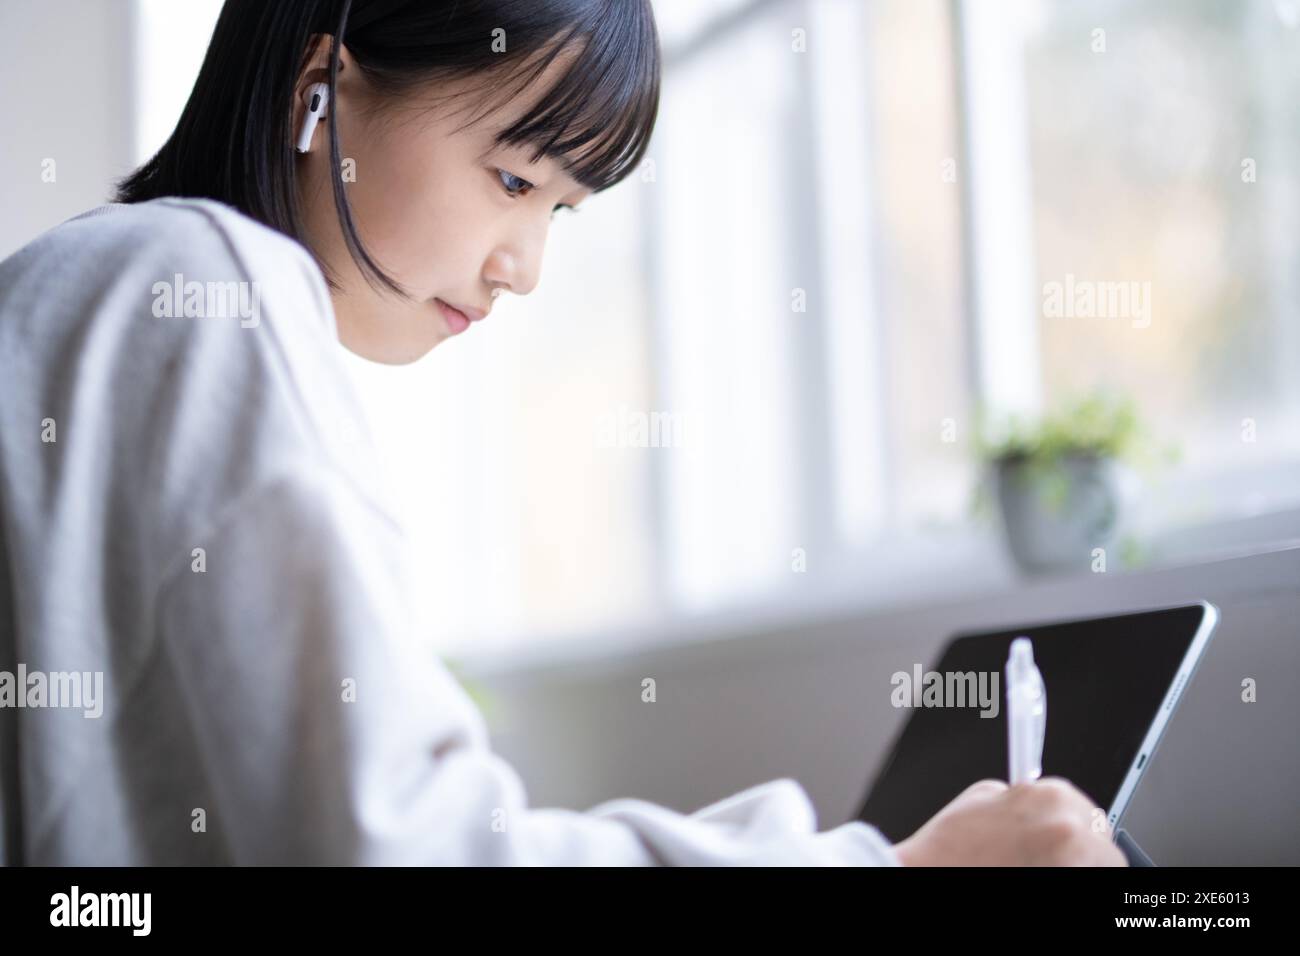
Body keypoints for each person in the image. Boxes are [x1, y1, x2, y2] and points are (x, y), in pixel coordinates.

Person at [0, 0, 1124, 866]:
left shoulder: (89, 287)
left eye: (560, 212)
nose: (523, 267)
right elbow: (404, 851)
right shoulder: (206, 286)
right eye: (509, 176)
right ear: (322, 93)